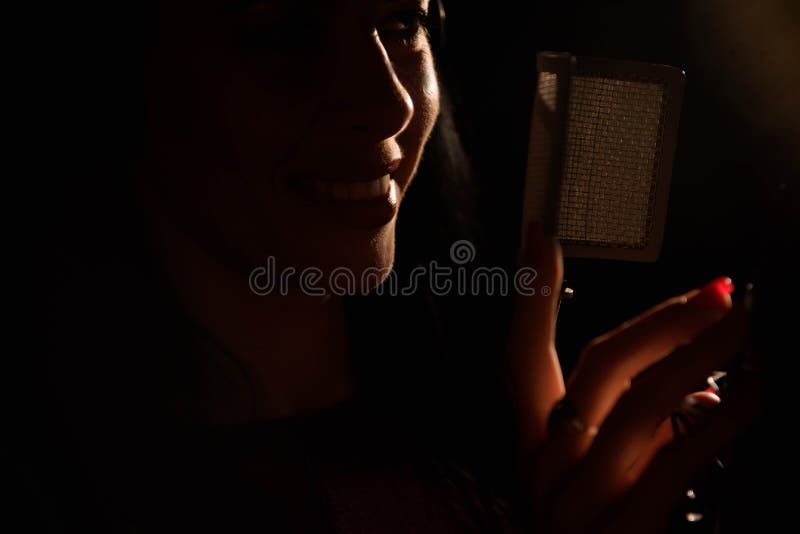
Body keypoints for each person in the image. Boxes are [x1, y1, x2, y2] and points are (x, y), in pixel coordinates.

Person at [11, 1, 766, 532]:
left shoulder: (491, 435)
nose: (389, 101)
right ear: (114, 63)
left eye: (402, 21)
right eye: (282, 30)